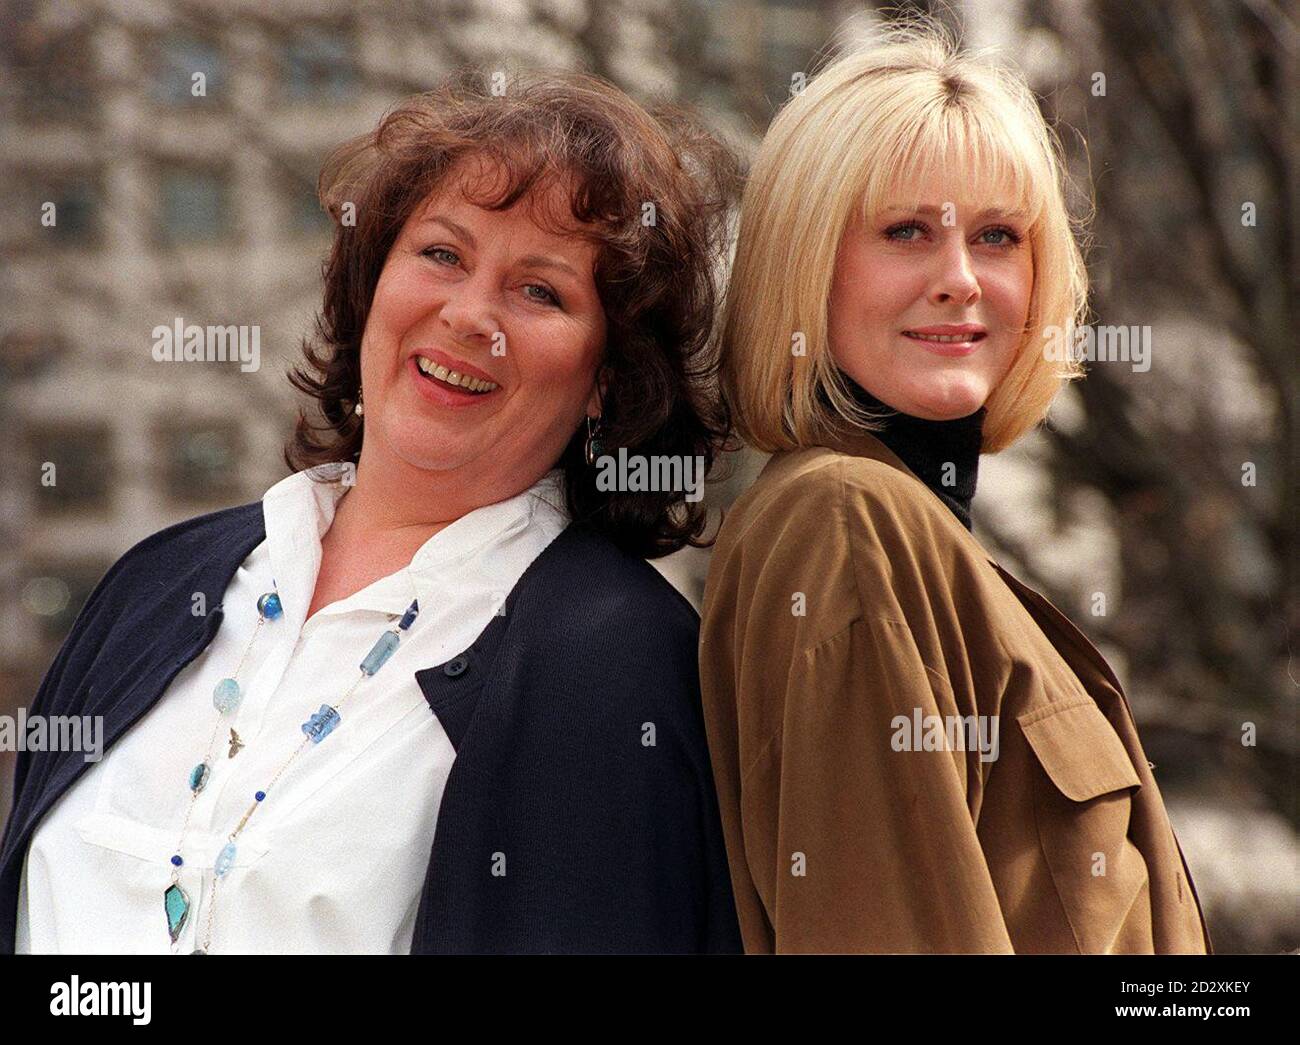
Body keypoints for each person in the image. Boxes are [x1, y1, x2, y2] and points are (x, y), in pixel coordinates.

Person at [1, 70, 743, 954]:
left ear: (609, 380)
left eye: (540, 292)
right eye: (441, 254)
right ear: (372, 282)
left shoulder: (616, 661)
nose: (470, 315)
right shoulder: (158, 584)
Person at [698, 23, 1212, 954]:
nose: (960, 280)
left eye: (998, 237)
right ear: (804, 261)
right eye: (906, 232)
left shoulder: (911, 528)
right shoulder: (847, 521)